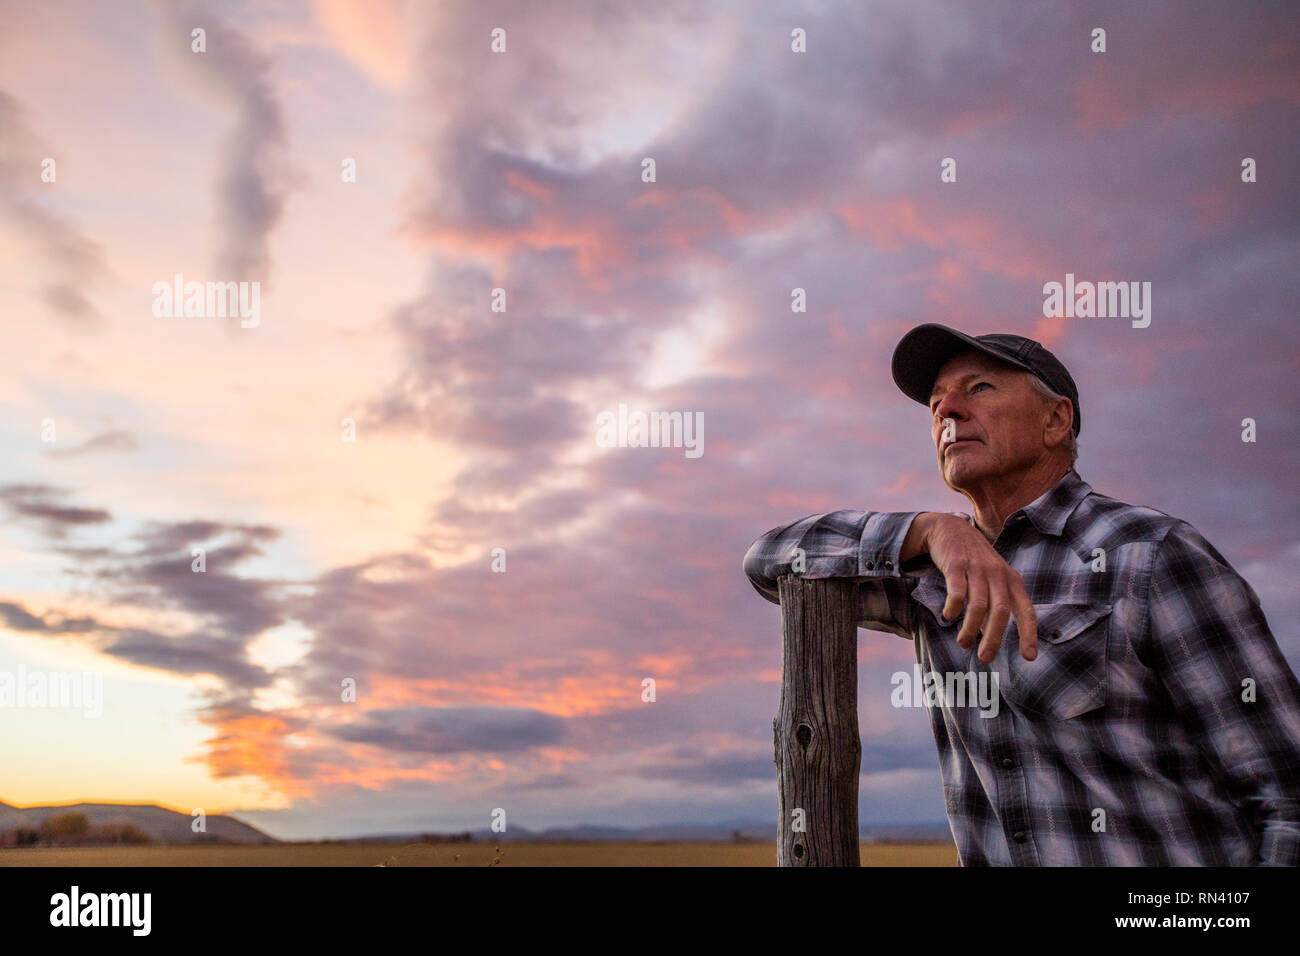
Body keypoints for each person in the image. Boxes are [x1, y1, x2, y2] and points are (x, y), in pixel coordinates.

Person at [743, 322, 1300, 865]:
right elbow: (769, 562)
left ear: (1056, 420)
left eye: (978, 388)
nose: (947, 410)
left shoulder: (1149, 553)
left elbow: (1286, 797)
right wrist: (931, 529)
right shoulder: (928, 577)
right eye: (937, 400)